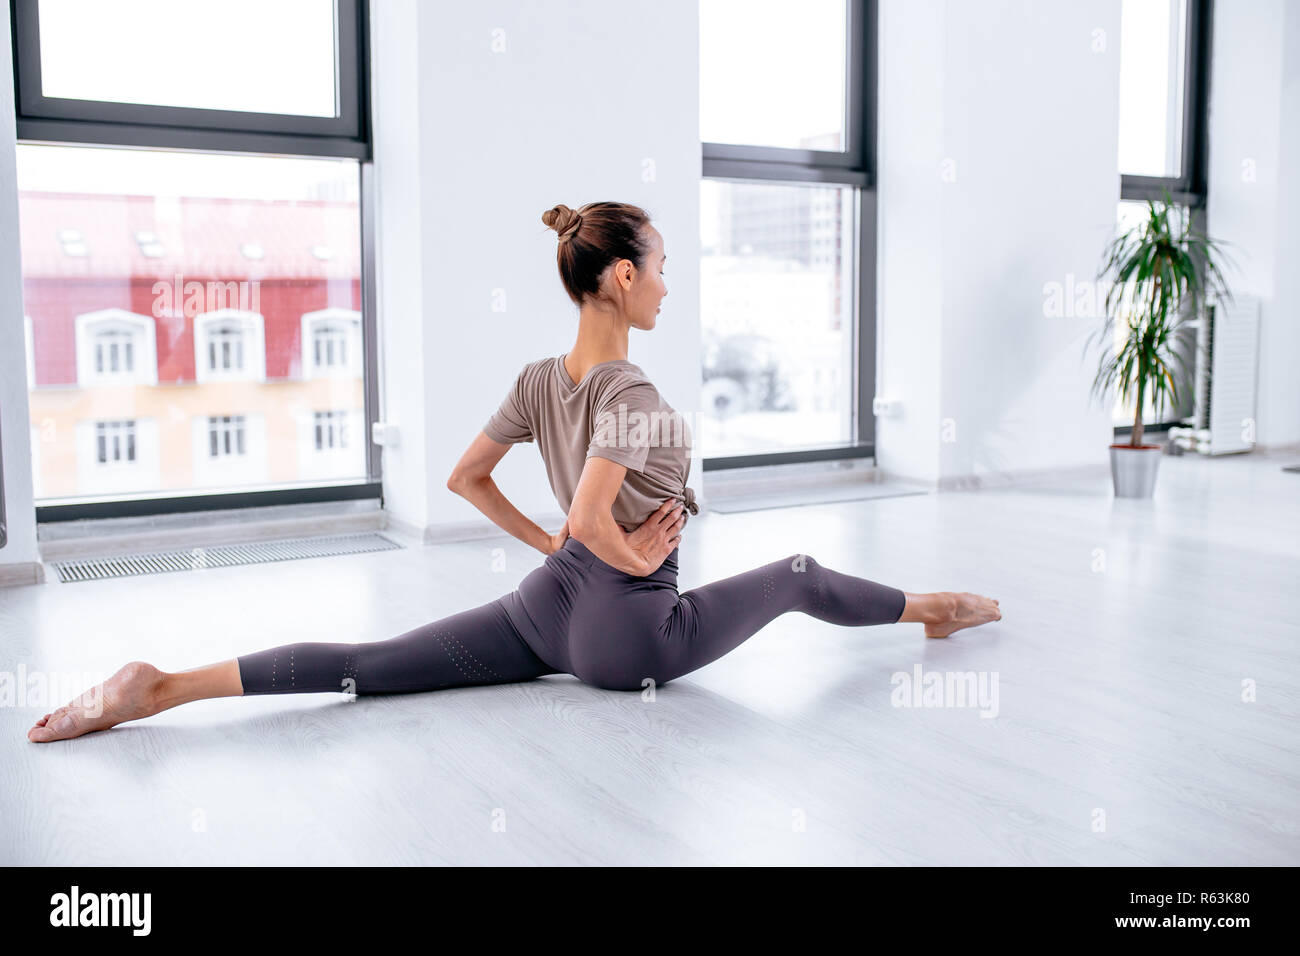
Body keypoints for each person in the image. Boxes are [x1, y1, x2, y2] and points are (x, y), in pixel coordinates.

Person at [27, 201, 999, 744]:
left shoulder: (541, 377)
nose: (667, 284)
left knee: (371, 665)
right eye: (661, 266)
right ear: (623, 275)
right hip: (627, 636)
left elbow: (465, 477)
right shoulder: (633, 389)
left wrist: (554, 545)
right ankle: (934, 607)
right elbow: (594, 515)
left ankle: (163, 686)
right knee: (796, 574)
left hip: (542, 608)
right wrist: (622, 552)